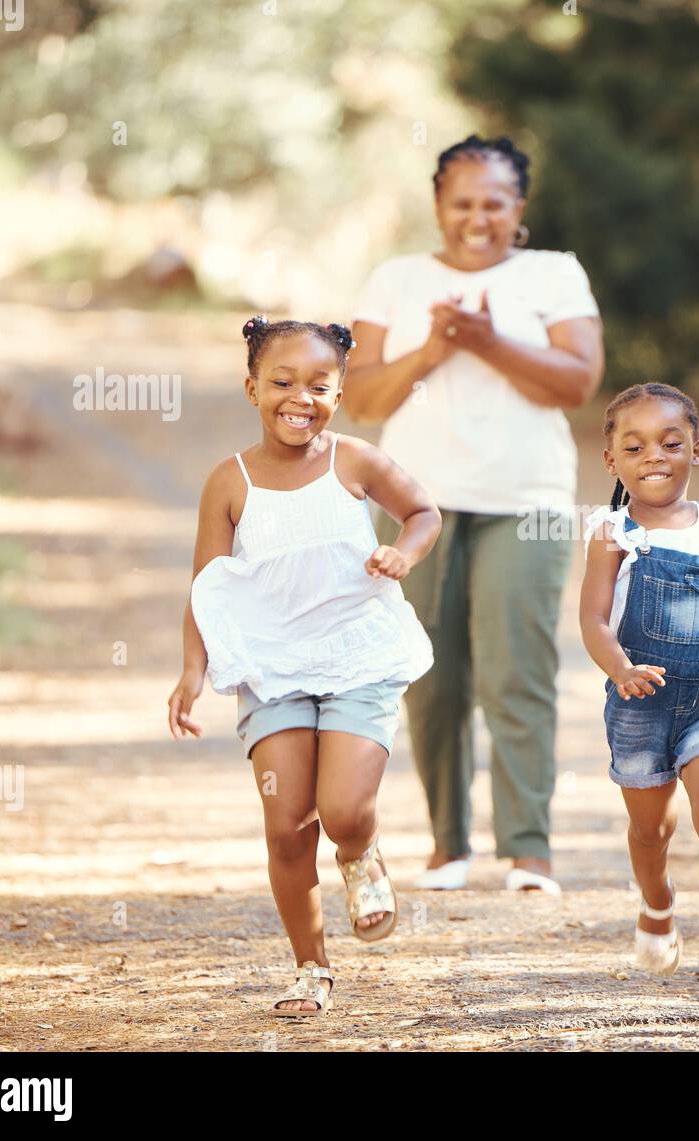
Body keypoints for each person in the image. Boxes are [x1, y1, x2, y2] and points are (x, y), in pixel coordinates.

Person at [344, 135, 605, 895]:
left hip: (527, 502)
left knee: (516, 672)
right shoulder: (396, 278)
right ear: (438, 205)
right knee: (431, 674)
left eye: (494, 202)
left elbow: (578, 380)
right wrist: (432, 348)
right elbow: (359, 398)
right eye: (462, 202)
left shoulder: (552, 273)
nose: (477, 217)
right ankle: (447, 846)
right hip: (418, 500)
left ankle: (529, 851)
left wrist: (489, 340)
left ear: (517, 208)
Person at [167, 316, 441, 1015]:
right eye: (282, 381)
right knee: (288, 822)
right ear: (252, 386)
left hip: (357, 654)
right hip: (271, 665)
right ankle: (311, 969)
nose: (300, 397)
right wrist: (192, 670)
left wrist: (402, 554)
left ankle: (360, 850)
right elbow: (208, 584)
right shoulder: (228, 483)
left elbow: (422, 512)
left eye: (319, 384)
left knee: (344, 808)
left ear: (340, 390)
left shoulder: (353, 460)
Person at [580, 383, 699, 1002]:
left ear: (697, 449)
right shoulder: (613, 533)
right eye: (634, 447)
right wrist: (620, 668)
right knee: (651, 831)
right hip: (641, 703)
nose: (653, 455)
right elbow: (594, 621)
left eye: (670, 442)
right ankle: (657, 900)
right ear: (612, 462)